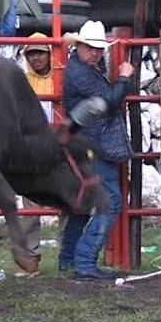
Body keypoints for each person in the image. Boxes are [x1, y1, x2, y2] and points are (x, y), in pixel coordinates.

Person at [58, 20, 130, 281]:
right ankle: (85, 261)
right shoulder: (82, 73)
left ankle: (70, 259)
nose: (96, 53)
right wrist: (125, 78)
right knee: (110, 201)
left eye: (99, 49)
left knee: (85, 201)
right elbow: (108, 100)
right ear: (79, 46)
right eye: (91, 48)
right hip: (95, 145)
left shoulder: (79, 68)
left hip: (86, 143)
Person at [14, 33, 56, 273]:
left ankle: (68, 257)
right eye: (31, 53)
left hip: (57, 150)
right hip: (31, 150)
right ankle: (29, 260)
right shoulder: (21, 82)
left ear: (50, 54)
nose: (36, 58)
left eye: (40, 52)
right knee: (30, 209)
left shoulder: (60, 77)